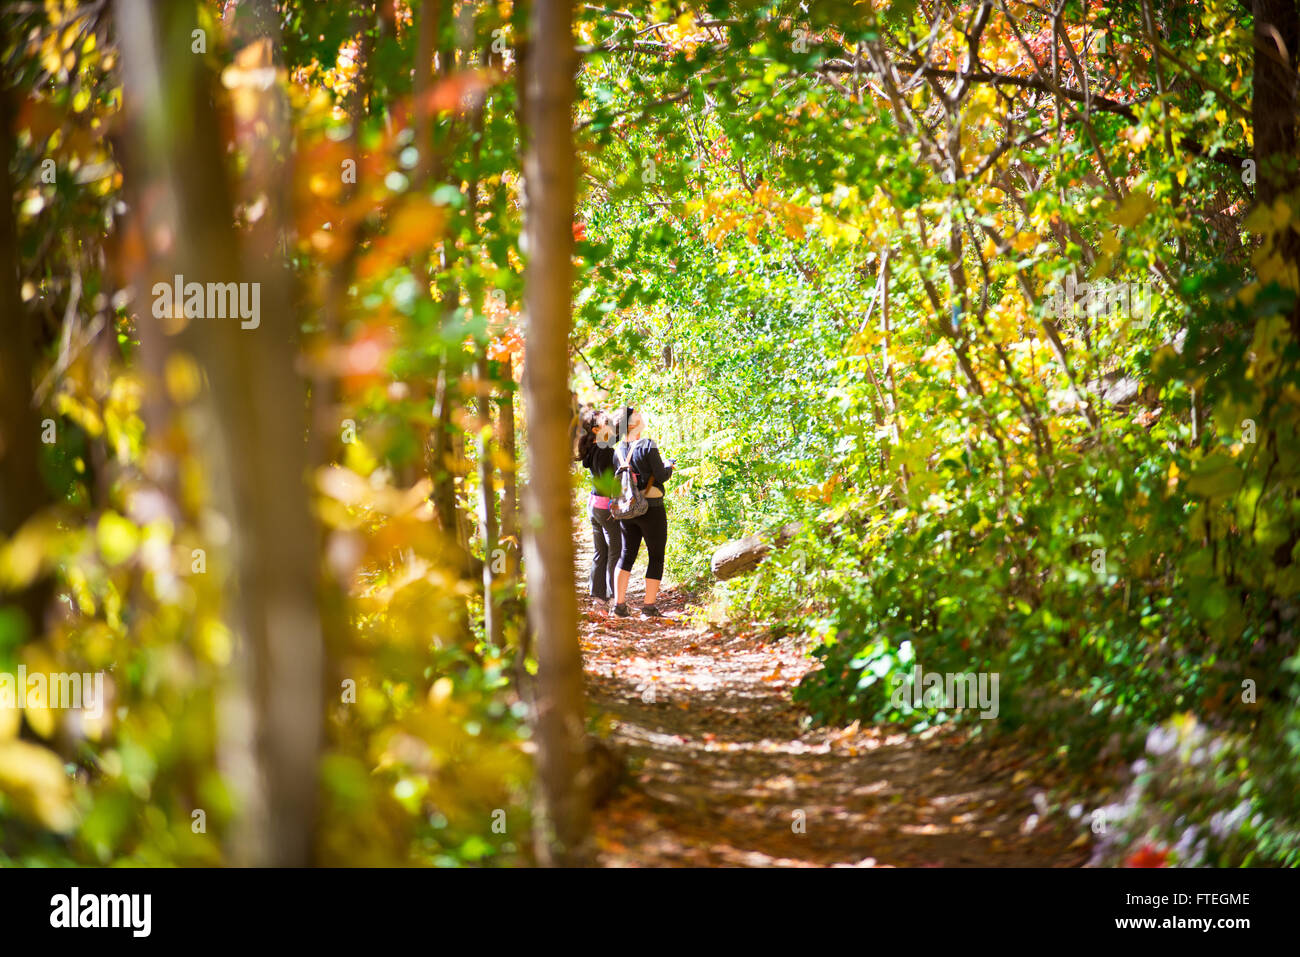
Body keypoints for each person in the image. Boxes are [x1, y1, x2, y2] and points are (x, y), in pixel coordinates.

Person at [611, 407, 675, 618]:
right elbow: (661, 475)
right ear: (631, 424)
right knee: (656, 556)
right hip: (652, 508)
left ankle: (619, 606)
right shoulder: (647, 445)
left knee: (626, 555)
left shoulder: (618, 451)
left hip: (627, 510)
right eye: (636, 414)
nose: (641, 415)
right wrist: (669, 467)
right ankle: (648, 607)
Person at [578, 408, 622, 608]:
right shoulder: (605, 450)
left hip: (594, 505)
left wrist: (628, 412)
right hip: (606, 506)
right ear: (596, 430)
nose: (612, 427)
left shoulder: (593, 448)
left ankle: (597, 596)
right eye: (607, 424)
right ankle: (614, 597)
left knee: (600, 551)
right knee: (615, 550)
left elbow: (617, 435)